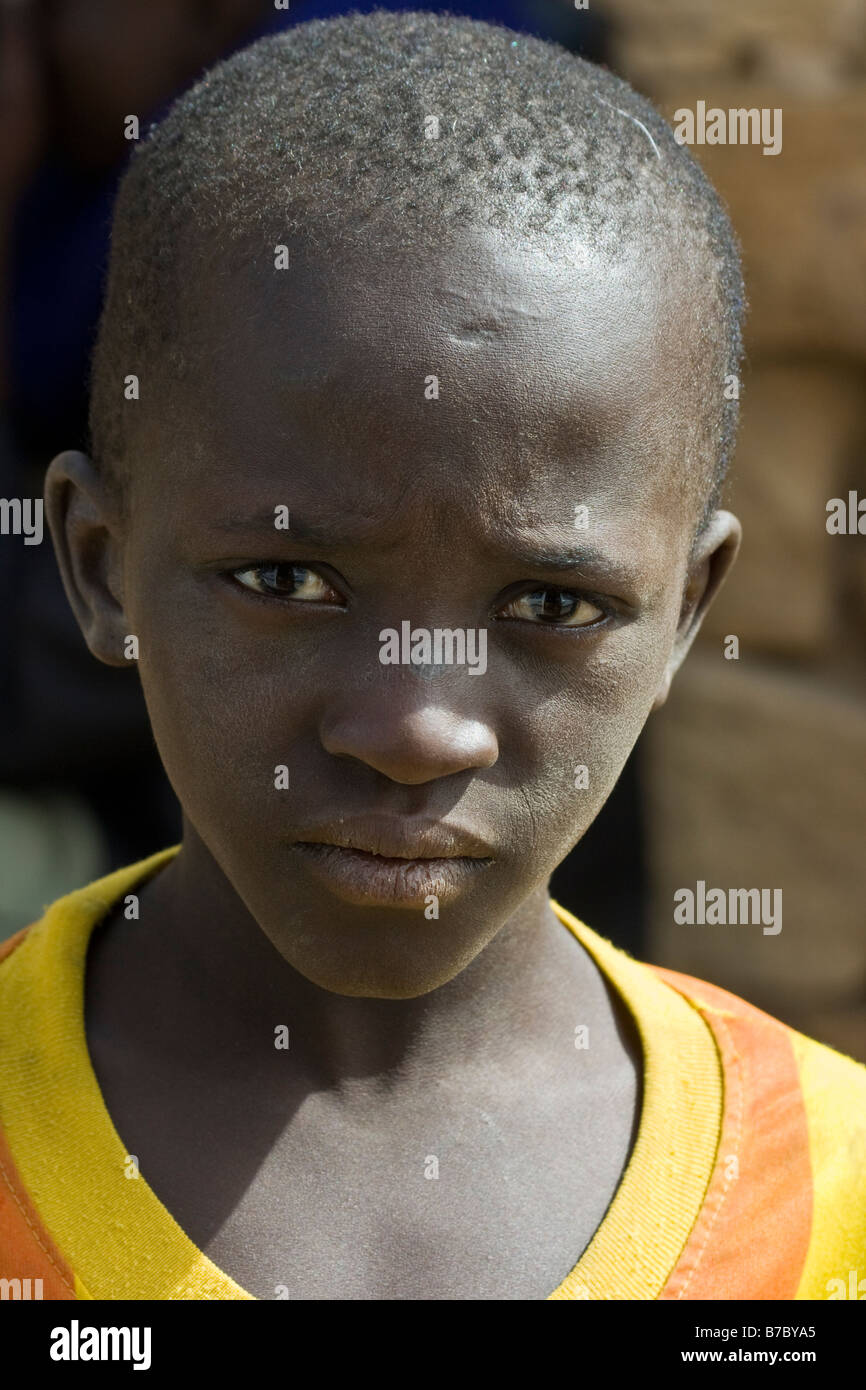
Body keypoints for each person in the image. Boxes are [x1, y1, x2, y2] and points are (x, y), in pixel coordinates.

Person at [1, 10, 863, 1301]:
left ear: (685, 613)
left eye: (551, 605)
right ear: (97, 563)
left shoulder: (829, 1202)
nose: (413, 727)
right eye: (286, 579)